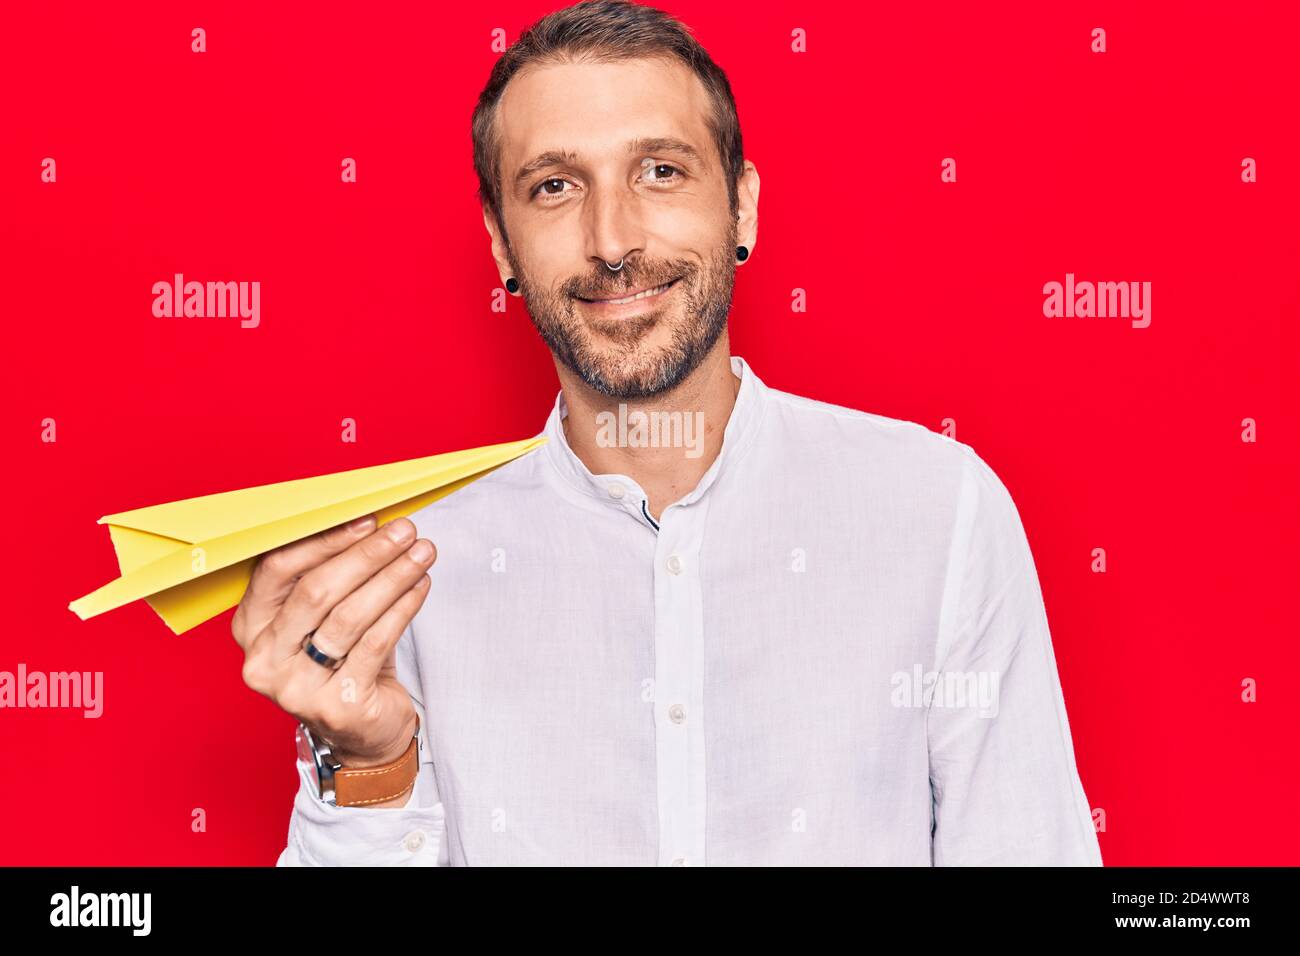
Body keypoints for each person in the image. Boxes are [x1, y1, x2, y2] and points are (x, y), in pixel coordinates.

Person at [233, 0, 1103, 866]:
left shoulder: (936, 511)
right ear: (502, 243)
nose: (612, 241)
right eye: (555, 186)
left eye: (660, 171)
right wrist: (371, 764)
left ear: (744, 210)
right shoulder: (408, 567)